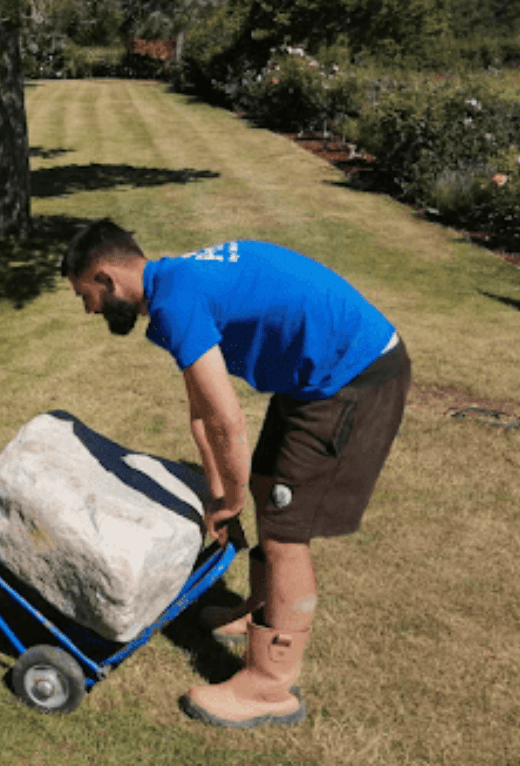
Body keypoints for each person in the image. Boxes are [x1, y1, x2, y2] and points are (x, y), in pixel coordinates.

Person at [61, 221, 411, 729]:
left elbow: (228, 420)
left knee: (287, 530)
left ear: (107, 277)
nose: (89, 309)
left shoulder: (176, 302)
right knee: (269, 487)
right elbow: (201, 414)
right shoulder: (173, 285)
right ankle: (260, 611)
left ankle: (270, 687)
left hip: (353, 374)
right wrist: (220, 493)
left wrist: (228, 501)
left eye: (85, 295)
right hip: (313, 377)